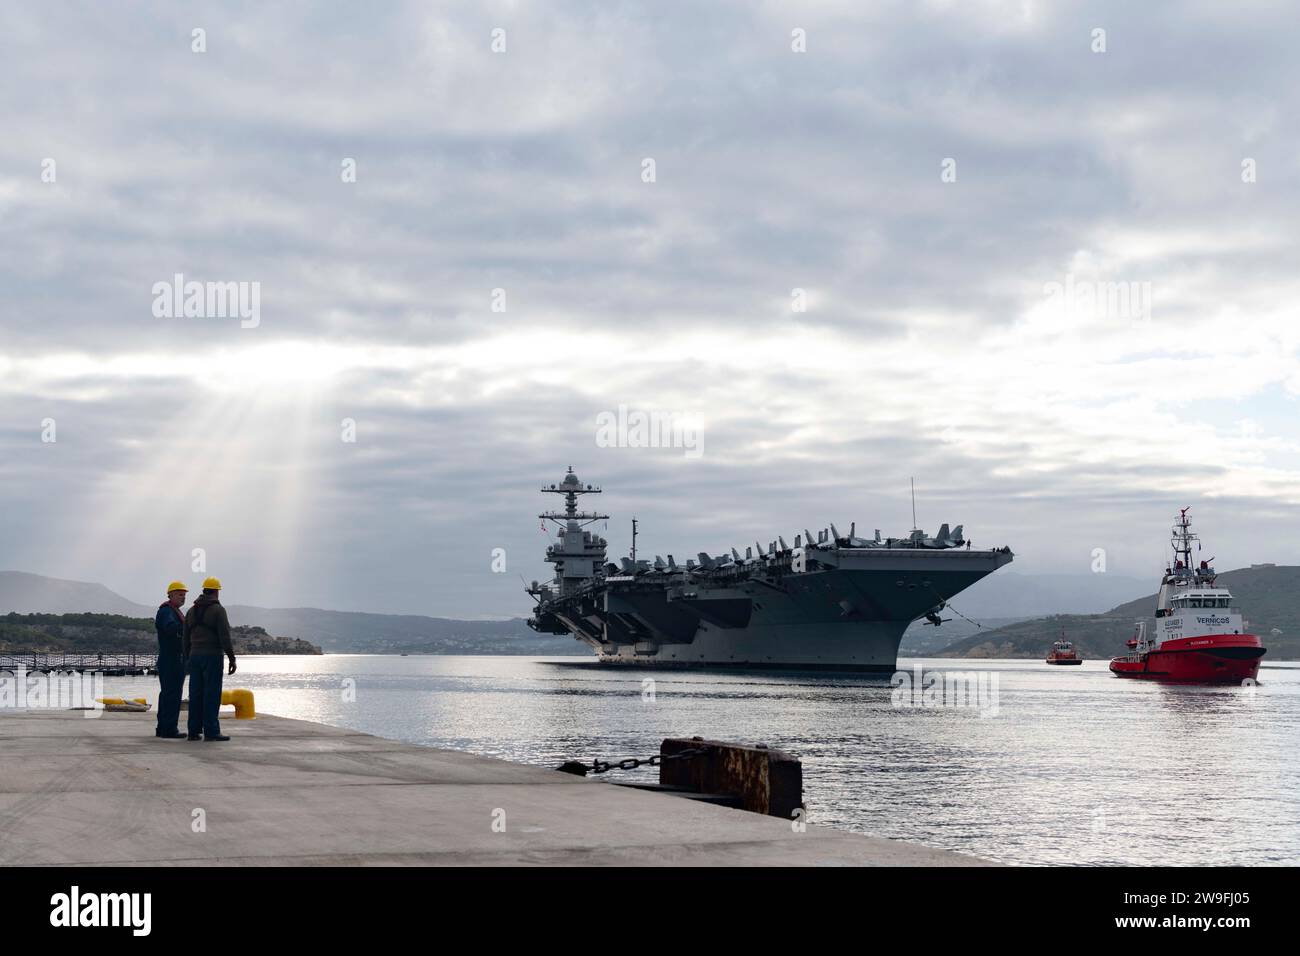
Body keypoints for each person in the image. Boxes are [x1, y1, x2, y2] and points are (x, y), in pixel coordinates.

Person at [183, 576, 237, 741]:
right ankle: (212, 732)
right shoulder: (218, 610)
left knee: (196, 694)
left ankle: (193, 731)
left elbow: (185, 638)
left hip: (194, 656)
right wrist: (232, 658)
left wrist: (187, 659)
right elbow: (224, 636)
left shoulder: (191, 611)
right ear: (216, 592)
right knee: (212, 694)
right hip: (212, 656)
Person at [154, 581, 189, 738]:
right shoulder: (167, 612)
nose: (183, 598)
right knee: (172, 694)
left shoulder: (171, 611)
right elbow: (170, 628)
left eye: (184, 595)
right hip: (171, 659)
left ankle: (163, 728)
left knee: (168, 693)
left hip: (172, 659)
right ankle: (169, 729)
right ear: (171, 595)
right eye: (180, 594)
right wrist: (186, 628)